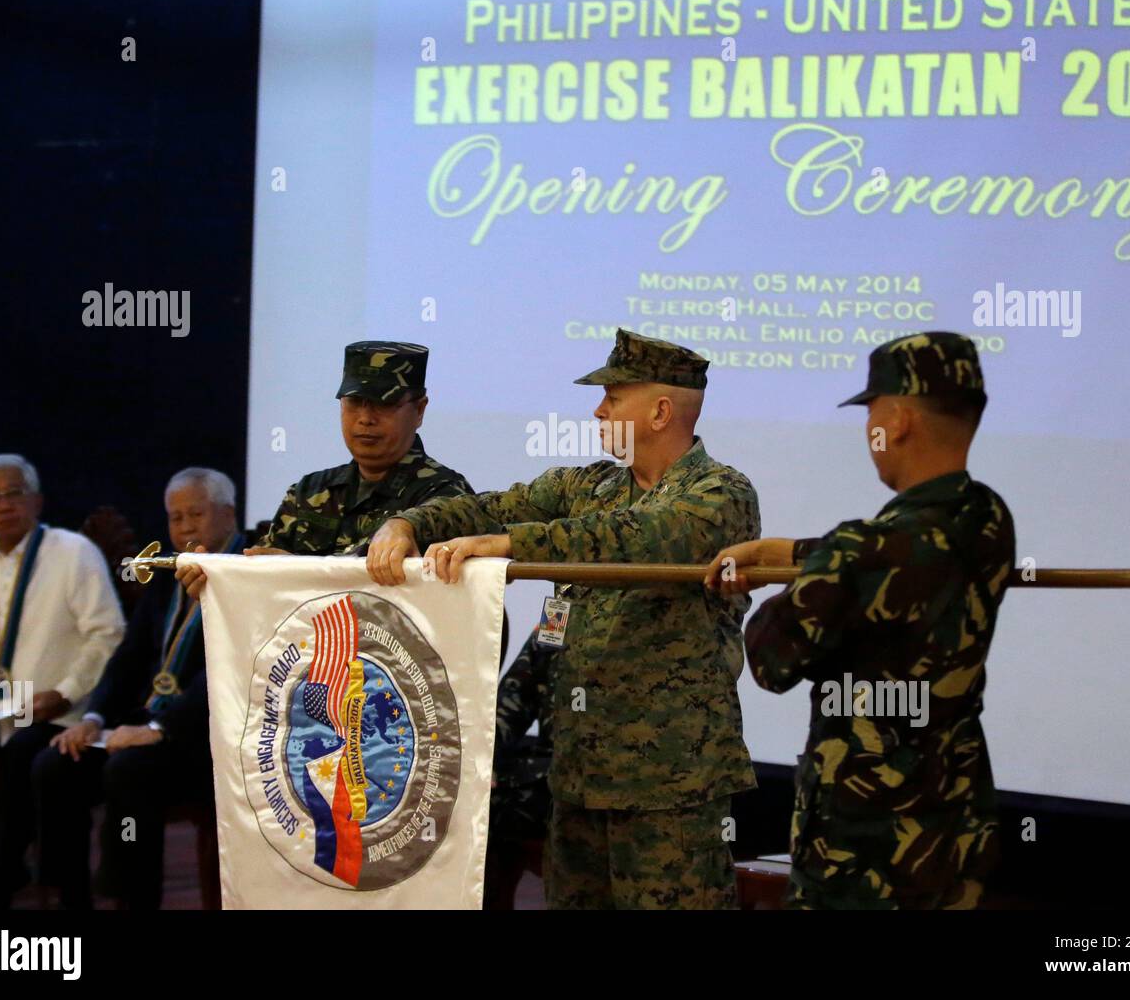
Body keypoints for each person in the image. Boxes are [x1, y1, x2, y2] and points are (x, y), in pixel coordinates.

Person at [367, 329, 761, 910]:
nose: (598, 409)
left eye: (613, 396)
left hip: (671, 786)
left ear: (659, 410)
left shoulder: (720, 493)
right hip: (578, 778)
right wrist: (408, 524)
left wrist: (510, 545)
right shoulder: (585, 486)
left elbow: (641, 540)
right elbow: (485, 506)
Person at [706, 331, 1015, 910]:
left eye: (872, 409)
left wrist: (779, 579)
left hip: (864, 842)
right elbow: (914, 551)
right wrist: (795, 552)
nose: (868, 425)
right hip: (956, 820)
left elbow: (771, 661)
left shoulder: (861, 550)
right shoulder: (988, 516)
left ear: (896, 420)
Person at [34, 468, 243, 909]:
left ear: (228, 514)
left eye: (196, 514)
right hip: (145, 725)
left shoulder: (249, 575)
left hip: (206, 737)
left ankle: (133, 901)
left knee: (129, 771)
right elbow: (128, 659)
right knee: (55, 764)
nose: (185, 527)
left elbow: (233, 671)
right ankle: (71, 898)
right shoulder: (169, 572)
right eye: (176, 517)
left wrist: (162, 729)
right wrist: (92, 720)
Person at [0, 454, 124, 908]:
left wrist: (66, 692)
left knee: (22, 750)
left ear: (37, 500)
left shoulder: (73, 552)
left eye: (14, 493)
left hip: (59, 710)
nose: (4, 504)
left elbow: (108, 636)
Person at [178, 341, 471, 600]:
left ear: (419, 410)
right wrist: (218, 582)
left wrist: (296, 573)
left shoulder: (449, 497)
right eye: (355, 403)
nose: (365, 419)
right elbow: (261, 594)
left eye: (385, 404)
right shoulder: (308, 493)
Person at [483, 628, 560, 909]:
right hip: (555, 776)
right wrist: (479, 761)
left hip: (639, 777)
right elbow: (512, 700)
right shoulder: (561, 609)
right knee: (467, 802)